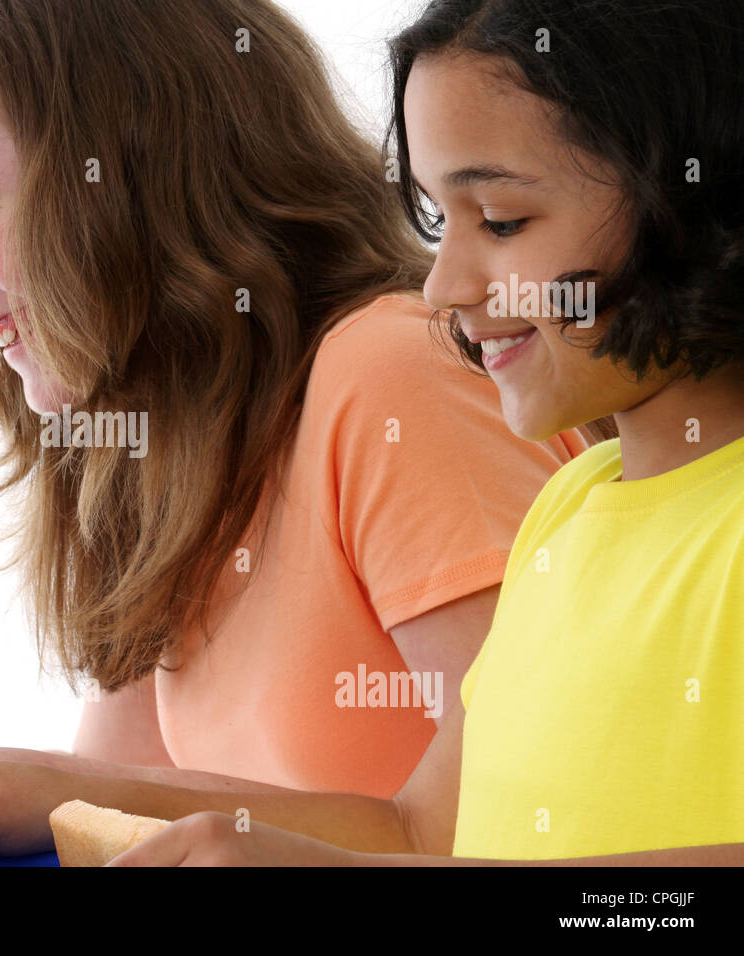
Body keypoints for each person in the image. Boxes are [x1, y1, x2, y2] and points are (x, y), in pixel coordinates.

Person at [0, 0, 593, 814]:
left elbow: (534, 816)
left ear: (141, 180)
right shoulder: (166, 449)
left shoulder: (387, 373)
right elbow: (105, 809)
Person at [50, 0, 744, 865]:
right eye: (434, 219)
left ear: (695, 195)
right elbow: (441, 837)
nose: (445, 285)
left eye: (500, 221)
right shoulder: (565, 510)